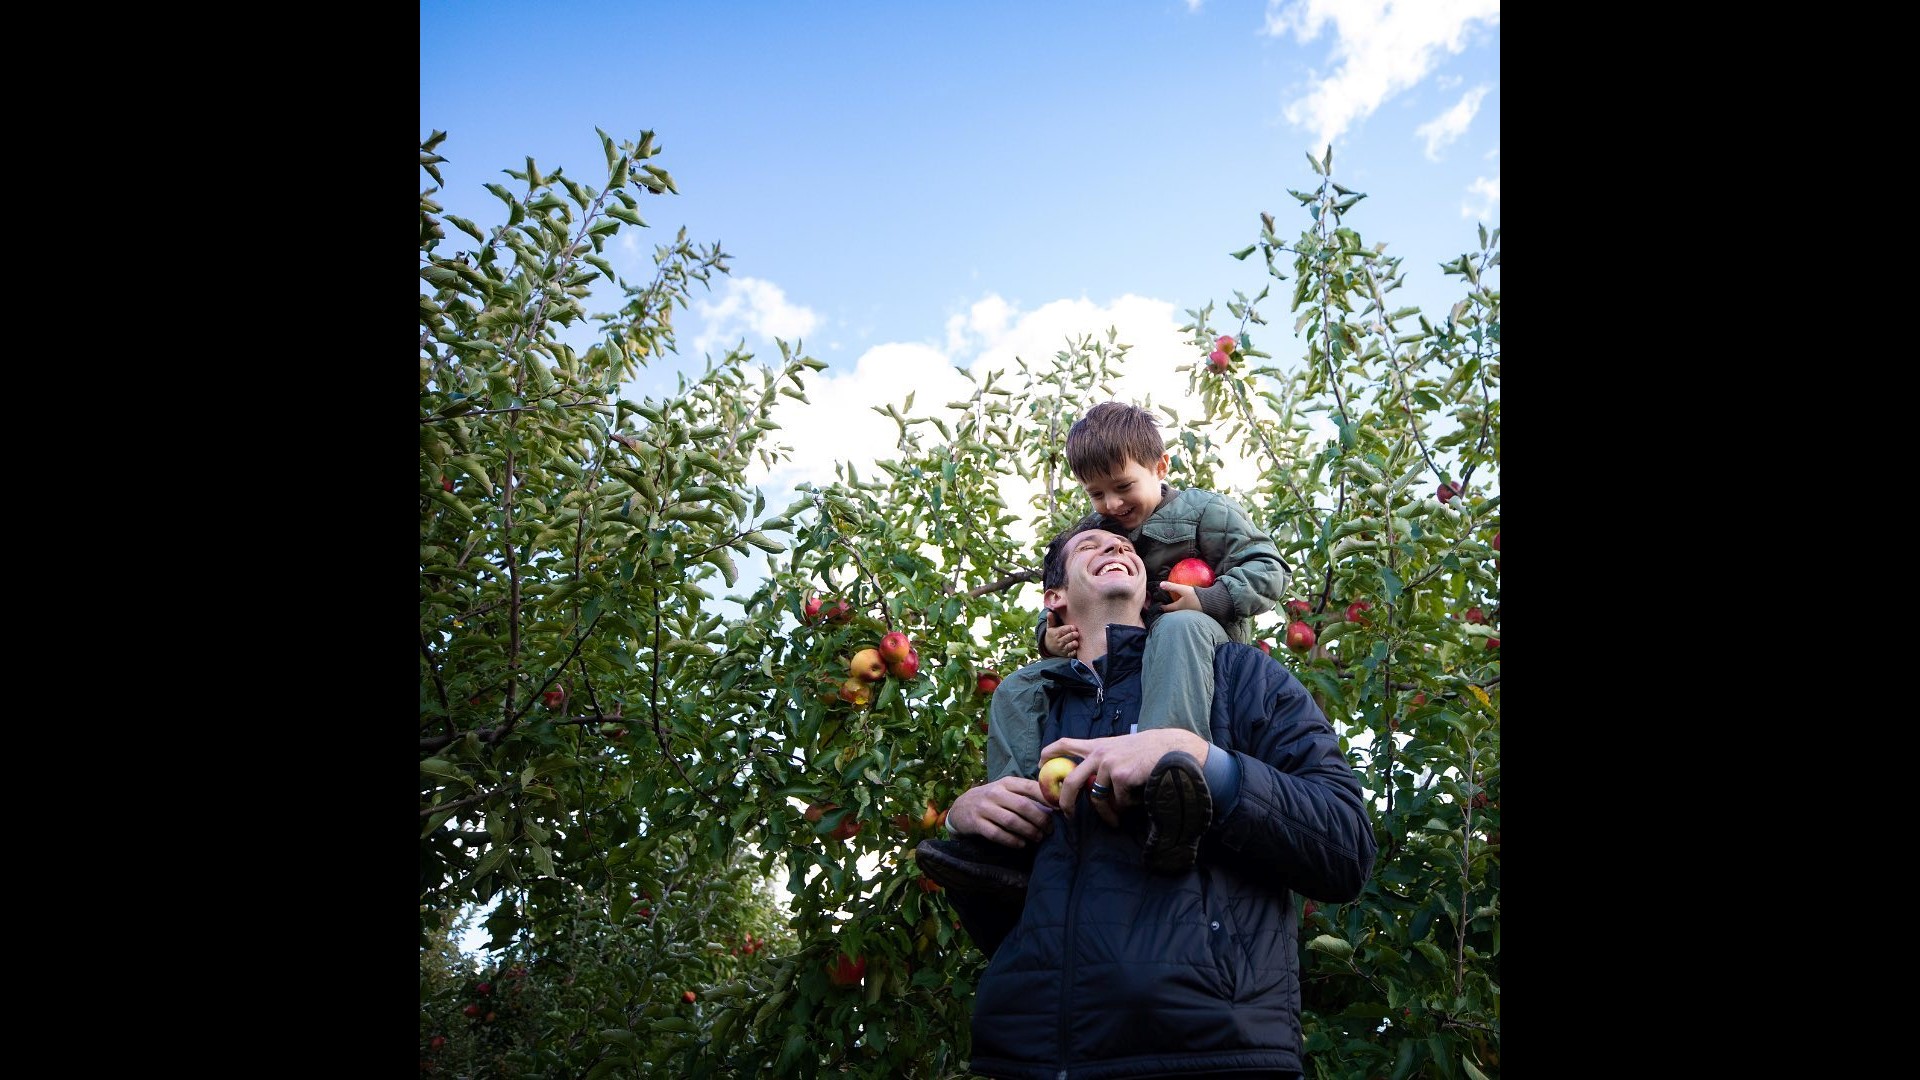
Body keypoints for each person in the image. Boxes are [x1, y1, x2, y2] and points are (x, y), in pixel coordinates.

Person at [932, 521, 1375, 1079]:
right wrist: (967, 823)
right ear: (1056, 598)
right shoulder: (1032, 713)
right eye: (1089, 546)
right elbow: (1015, 921)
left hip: (1212, 1050)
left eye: (1124, 546)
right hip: (1029, 1057)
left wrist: (1204, 762)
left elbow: (1348, 849)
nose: (1116, 546)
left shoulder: (1239, 675)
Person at [928, 400, 1291, 884]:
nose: (1113, 506)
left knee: (1175, 627)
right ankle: (1013, 819)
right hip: (1124, 653)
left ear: (1160, 468)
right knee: (1018, 687)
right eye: (1097, 494)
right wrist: (1049, 635)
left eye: (1124, 488)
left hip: (1204, 638)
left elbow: (1269, 568)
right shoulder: (1099, 531)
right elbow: (1059, 590)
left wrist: (1211, 600)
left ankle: (1169, 777)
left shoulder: (1205, 511)